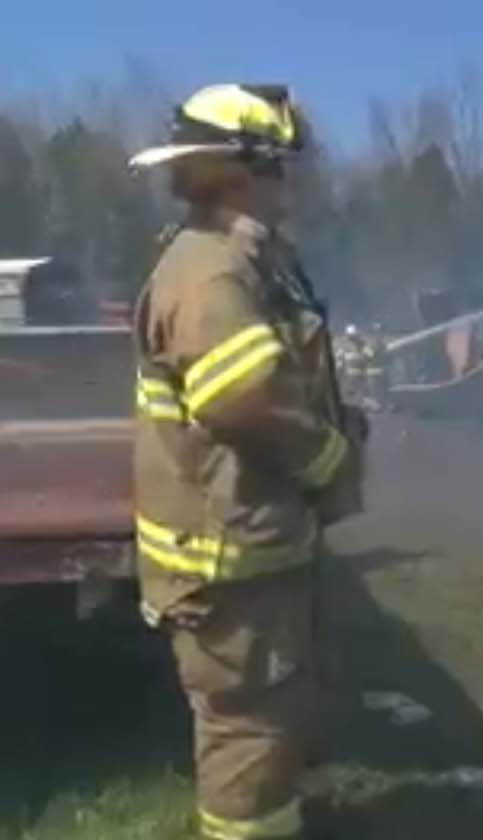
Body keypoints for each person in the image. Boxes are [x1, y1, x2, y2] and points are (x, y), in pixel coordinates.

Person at [128, 83, 366, 840]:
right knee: (248, 727)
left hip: (245, 541)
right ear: (241, 171)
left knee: (271, 714)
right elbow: (244, 398)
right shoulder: (211, 273)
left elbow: (265, 372)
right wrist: (331, 458)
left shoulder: (238, 262)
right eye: (283, 168)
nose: (293, 184)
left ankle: (273, 818)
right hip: (226, 556)